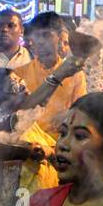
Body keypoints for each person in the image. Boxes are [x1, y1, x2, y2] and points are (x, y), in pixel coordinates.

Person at [12, 12, 87, 150]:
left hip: (60, 145)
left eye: (46, 35)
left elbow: (82, 110)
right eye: (36, 36)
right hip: (29, 146)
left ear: (59, 37)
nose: (40, 41)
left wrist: (68, 114)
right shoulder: (19, 73)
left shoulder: (75, 74)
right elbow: (17, 112)